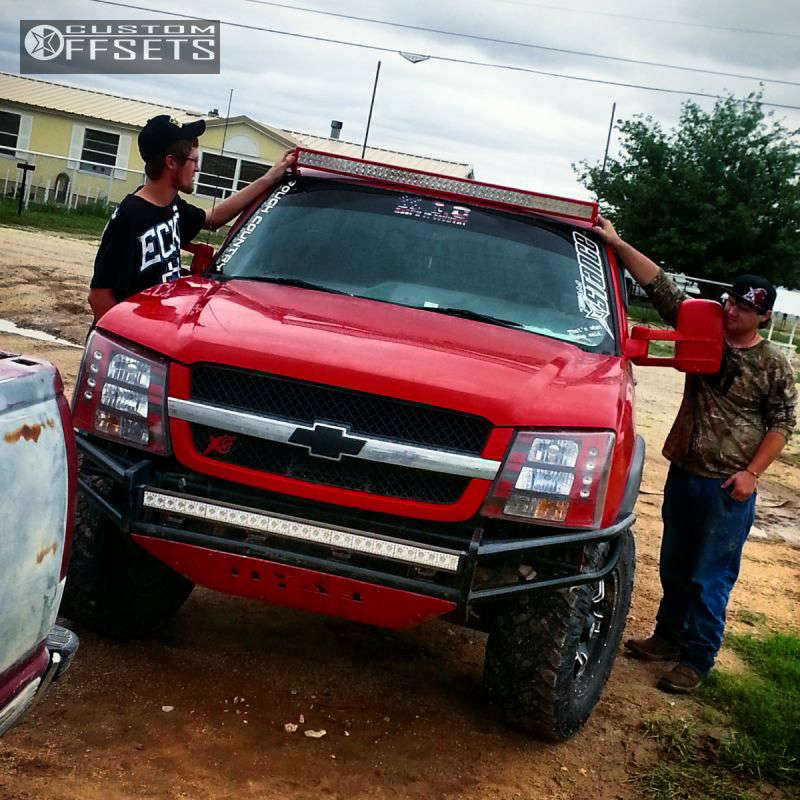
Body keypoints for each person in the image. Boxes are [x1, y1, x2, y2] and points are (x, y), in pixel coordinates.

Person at [593, 216, 797, 693]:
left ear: (764, 316)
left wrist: (751, 473)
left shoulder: (772, 363)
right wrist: (617, 242)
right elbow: (662, 288)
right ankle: (667, 639)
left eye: (746, 309)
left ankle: (697, 659)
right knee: (675, 565)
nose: (733, 312)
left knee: (710, 578)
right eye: (731, 302)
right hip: (685, 472)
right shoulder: (704, 334)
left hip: (727, 485)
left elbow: (782, 424)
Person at [88, 114, 296, 321]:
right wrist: (126, 343)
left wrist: (269, 178)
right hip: (134, 339)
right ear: (171, 162)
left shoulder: (172, 205)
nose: (198, 168)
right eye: (194, 160)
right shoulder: (129, 216)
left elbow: (213, 218)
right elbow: (99, 297)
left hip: (158, 329)